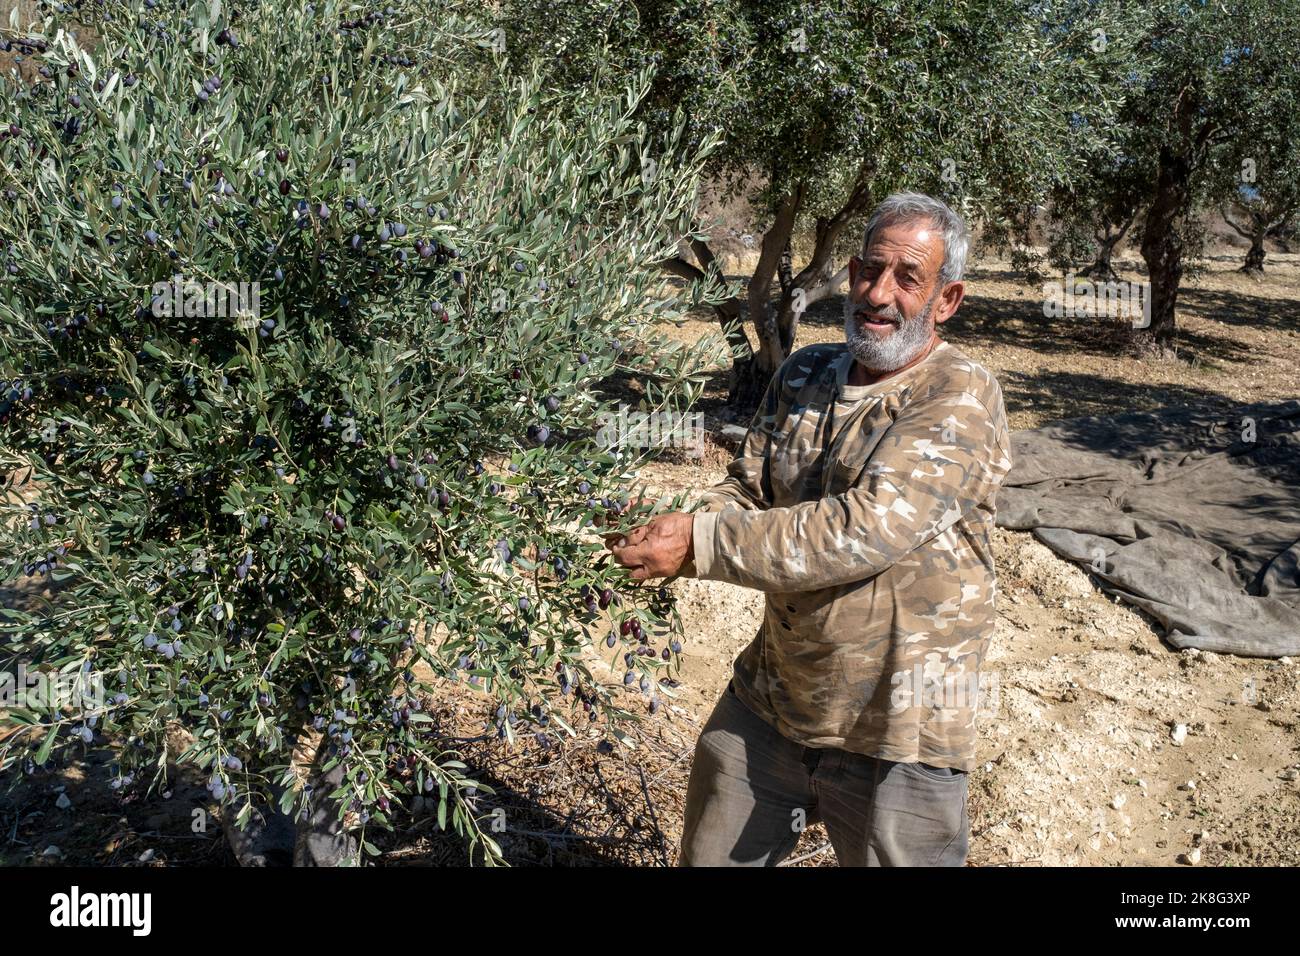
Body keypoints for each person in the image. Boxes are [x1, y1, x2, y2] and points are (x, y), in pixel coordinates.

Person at [607, 191, 1013, 866]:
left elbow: (863, 530)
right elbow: (747, 489)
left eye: (907, 278)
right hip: (777, 697)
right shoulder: (805, 373)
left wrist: (697, 542)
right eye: (869, 271)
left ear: (947, 300)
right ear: (850, 272)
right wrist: (668, 525)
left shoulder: (959, 394)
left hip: (899, 727)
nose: (878, 294)